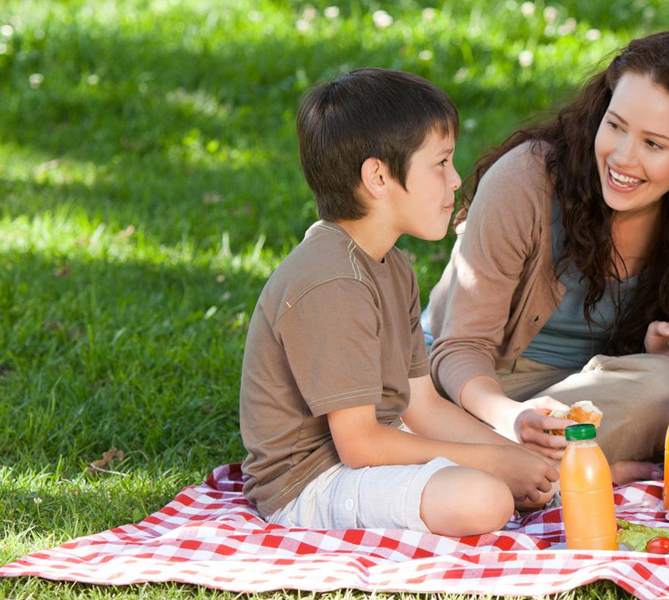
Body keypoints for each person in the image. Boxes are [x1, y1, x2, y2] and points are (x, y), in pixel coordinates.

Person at [239, 69, 558, 536]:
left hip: (375, 450)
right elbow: (359, 445)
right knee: (484, 496)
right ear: (379, 176)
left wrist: (511, 454)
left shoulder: (392, 265)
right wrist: (493, 461)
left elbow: (422, 404)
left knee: (514, 474)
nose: (455, 180)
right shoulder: (332, 282)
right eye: (441, 163)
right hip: (308, 482)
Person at [421, 31, 669, 484]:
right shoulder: (525, 181)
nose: (622, 157)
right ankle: (575, 470)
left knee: (667, 387)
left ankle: (513, 468)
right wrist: (511, 417)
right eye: (615, 126)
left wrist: (664, 346)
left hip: (585, 399)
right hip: (476, 388)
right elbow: (459, 348)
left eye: (654, 144)